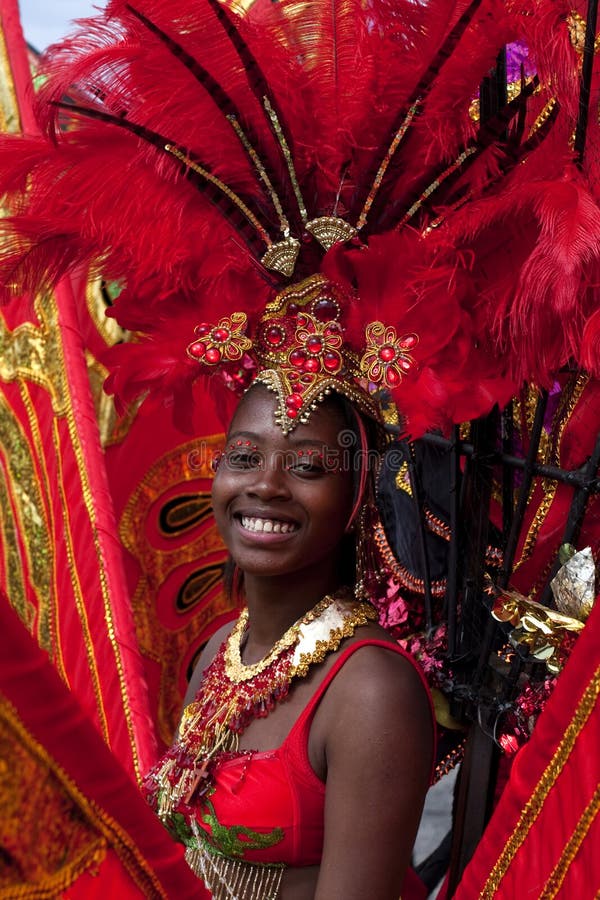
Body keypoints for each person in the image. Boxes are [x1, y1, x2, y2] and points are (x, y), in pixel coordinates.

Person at [143, 378, 435, 899]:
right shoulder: (220, 649)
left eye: (306, 467)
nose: (266, 486)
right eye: (244, 457)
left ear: (355, 499)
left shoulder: (371, 692)